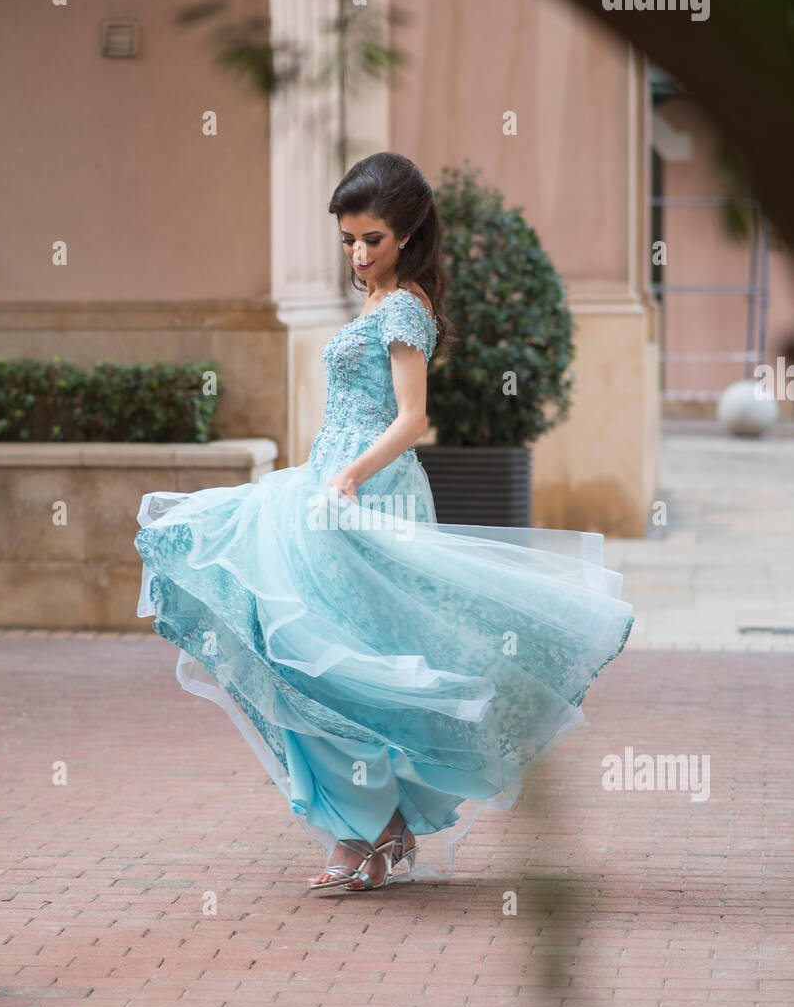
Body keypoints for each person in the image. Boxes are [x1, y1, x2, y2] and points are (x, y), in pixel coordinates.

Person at [134, 152, 633, 892]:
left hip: (366, 496)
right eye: (347, 241)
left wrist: (347, 479)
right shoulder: (376, 302)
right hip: (327, 489)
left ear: (405, 235)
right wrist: (328, 478)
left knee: (338, 655)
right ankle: (372, 825)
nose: (359, 254)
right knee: (304, 647)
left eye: (372, 239)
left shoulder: (401, 308)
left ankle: (369, 828)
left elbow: (412, 419)